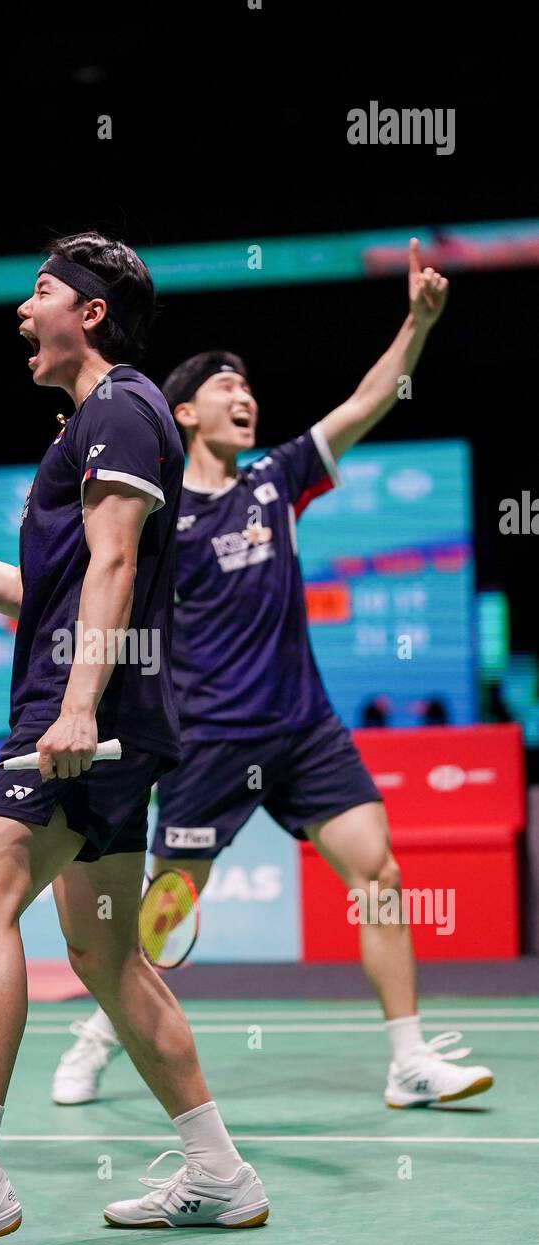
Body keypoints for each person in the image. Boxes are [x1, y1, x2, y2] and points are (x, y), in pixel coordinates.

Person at [0, 232, 270, 1245]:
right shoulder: (92, 425)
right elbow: (42, 590)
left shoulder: (119, 409)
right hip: (108, 712)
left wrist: (77, 708)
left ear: (87, 313)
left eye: (36, 293)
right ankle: (217, 1170)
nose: (19, 312)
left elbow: (114, 563)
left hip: (86, 712)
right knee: (104, 951)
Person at [52, 239, 493, 1112]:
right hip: (209, 741)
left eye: (248, 388)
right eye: (225, 388)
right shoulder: (159, 520)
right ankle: (99, 1032)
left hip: (304, 728)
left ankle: (408, 1059)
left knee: (381, 876)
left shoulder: (276, 481)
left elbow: (365, 404)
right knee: (165, 912)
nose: (244, 398)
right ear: (182, 414)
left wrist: (417, 323)